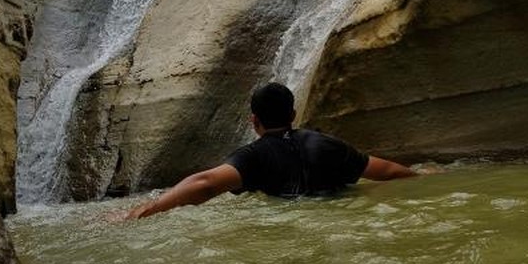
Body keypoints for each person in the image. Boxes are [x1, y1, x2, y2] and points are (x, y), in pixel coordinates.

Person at [123, 83, 419, 220]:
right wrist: (425, 175)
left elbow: (204, 184)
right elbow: (390, 172)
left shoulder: (253, 156)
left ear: (254, 120)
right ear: (292, 114)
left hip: (286, 226)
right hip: (339, 218)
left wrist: (146, 209)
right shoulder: (328, 144)